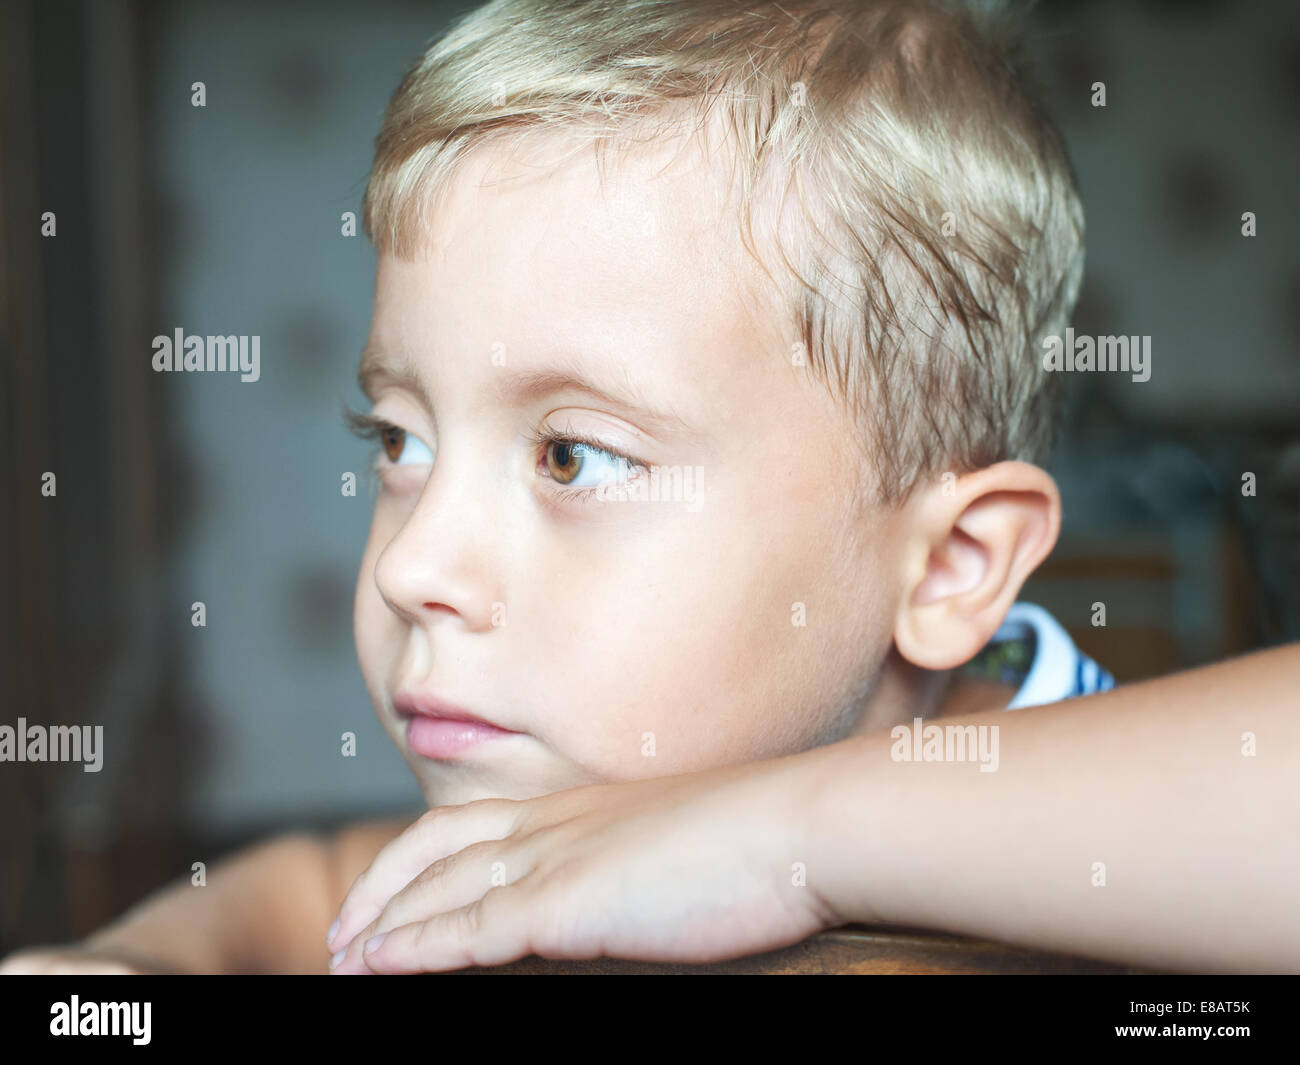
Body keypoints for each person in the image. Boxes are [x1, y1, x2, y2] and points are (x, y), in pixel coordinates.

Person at [4, 0, 1294, 976]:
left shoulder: (1130, 864)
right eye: (399, 441)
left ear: (949, 568)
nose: (408, 566)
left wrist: (787, 839)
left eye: (571, 455)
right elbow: (323, 886)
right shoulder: (565, 794)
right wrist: (127, 972)